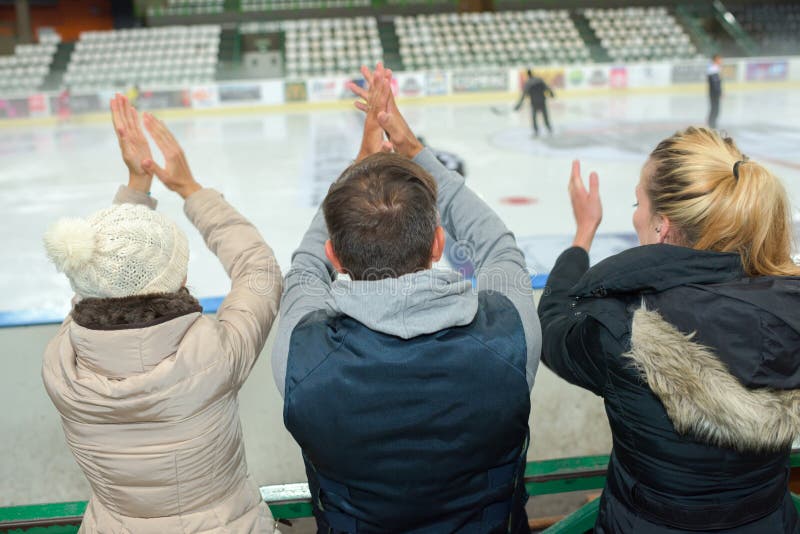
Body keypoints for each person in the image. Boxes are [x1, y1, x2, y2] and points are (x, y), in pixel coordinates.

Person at [272, 63, 540, 532]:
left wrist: (359, 167)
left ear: (336, 255)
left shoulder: (301, 355)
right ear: (439, 244)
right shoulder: (510, 338)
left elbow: (303, 268)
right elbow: (498, 246)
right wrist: (415, 150)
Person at [539, 126, 800, 533]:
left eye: (637, 203)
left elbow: (552, 325)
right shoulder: (791, 311)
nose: (635, 215)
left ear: (661, 226)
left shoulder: (622, 330)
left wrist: (583, 233)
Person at [41, 94, 282, 533]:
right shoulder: (213, 354)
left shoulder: (61, 363)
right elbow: (258, 270)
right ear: (177, 277)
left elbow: (103, 281)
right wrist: (190, 189)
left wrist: (136, 184)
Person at [514, 69, 555, 136]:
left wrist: (519, 104)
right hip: (542, 101)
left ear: (527, 75)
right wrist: (551, 93)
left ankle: (536, 131)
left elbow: (524, 94)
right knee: (545, 116)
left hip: (534, 103)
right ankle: (549, 128)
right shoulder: (539, 80)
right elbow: (547, 87)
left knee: (534, 117)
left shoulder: (528, 83)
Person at [708, 54, 723, 128]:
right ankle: (712, 124)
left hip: (714, 92)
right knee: (715, 108)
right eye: (719, 59)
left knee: (715, 108)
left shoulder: (715, 68)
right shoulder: (713, 69)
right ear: (715, 60)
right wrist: (719, 92)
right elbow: (715, 83)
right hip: (714, 92)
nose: (721, 61)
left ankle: (712, 123)